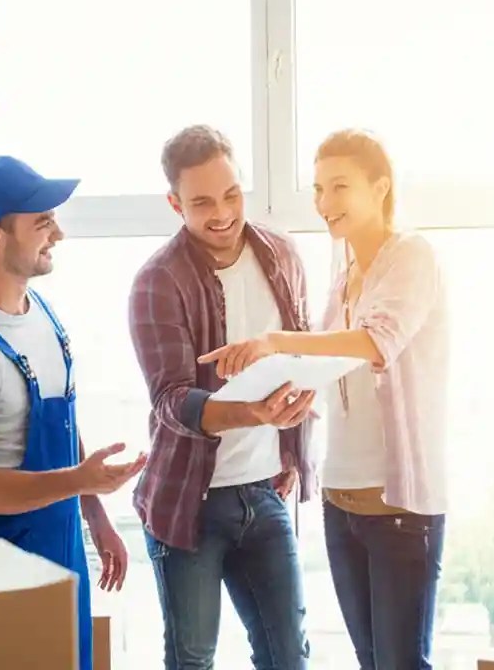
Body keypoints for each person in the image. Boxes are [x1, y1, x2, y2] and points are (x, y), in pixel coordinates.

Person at [200, 129, 450, 670]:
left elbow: (375, 341)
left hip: (399, 509)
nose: (324, 203)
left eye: (339, 187)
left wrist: (275, 341)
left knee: (401, 664)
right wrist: (287, 391)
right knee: (368, 660)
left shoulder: (411, 255)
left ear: (380, 187)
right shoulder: (343, 268)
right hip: (343, 503)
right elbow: (332, 364)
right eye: (317, 188)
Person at [0, 156, 147, 670]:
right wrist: (80, 481)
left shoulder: (40, 313)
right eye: (42, 222)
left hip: (62, 558)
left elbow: (61, 424)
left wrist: (95, 514)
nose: (58, 234)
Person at [128, 125, 315, 669]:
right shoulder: (157, 282)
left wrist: (293, 448)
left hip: (264, 492)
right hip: (190, 502)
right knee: (193, 660)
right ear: (174, 202)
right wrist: (250, 413)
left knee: (289, 656)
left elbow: (300, 352)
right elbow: (171, 399)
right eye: (202, 202)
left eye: (231, 194)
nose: (223, 213)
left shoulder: (281, 254)